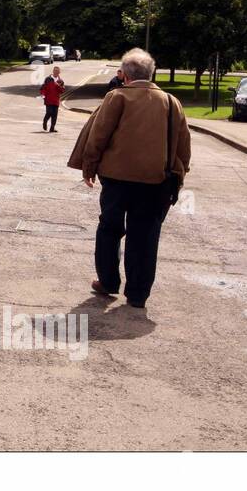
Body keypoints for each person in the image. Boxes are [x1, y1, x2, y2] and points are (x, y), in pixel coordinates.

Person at [67, 48, 190, 309]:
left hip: (116, 179)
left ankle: (108, 282)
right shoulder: (171, 102)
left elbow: (99, 135)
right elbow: (183, 146)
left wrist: (88, 167)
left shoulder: (117, 97)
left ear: (125, 76)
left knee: (110, 228)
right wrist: (179, 176)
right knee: (145, 236)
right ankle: (137, 295)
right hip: (156, 181)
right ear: (151, 73)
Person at [40, 65, 64, 132]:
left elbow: (62, 91)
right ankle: (45, 121)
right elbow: (43, 88)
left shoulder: (60, 81)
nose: (56, 72)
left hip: (56, 100)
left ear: (59, 72)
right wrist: (43, 94)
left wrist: (58, 85)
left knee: (54, 115)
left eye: (57, 71)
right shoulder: (48, 79)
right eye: (55, 71)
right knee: (49, 112)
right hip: (48, 99)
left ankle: (52, 128)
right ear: (53, 71)